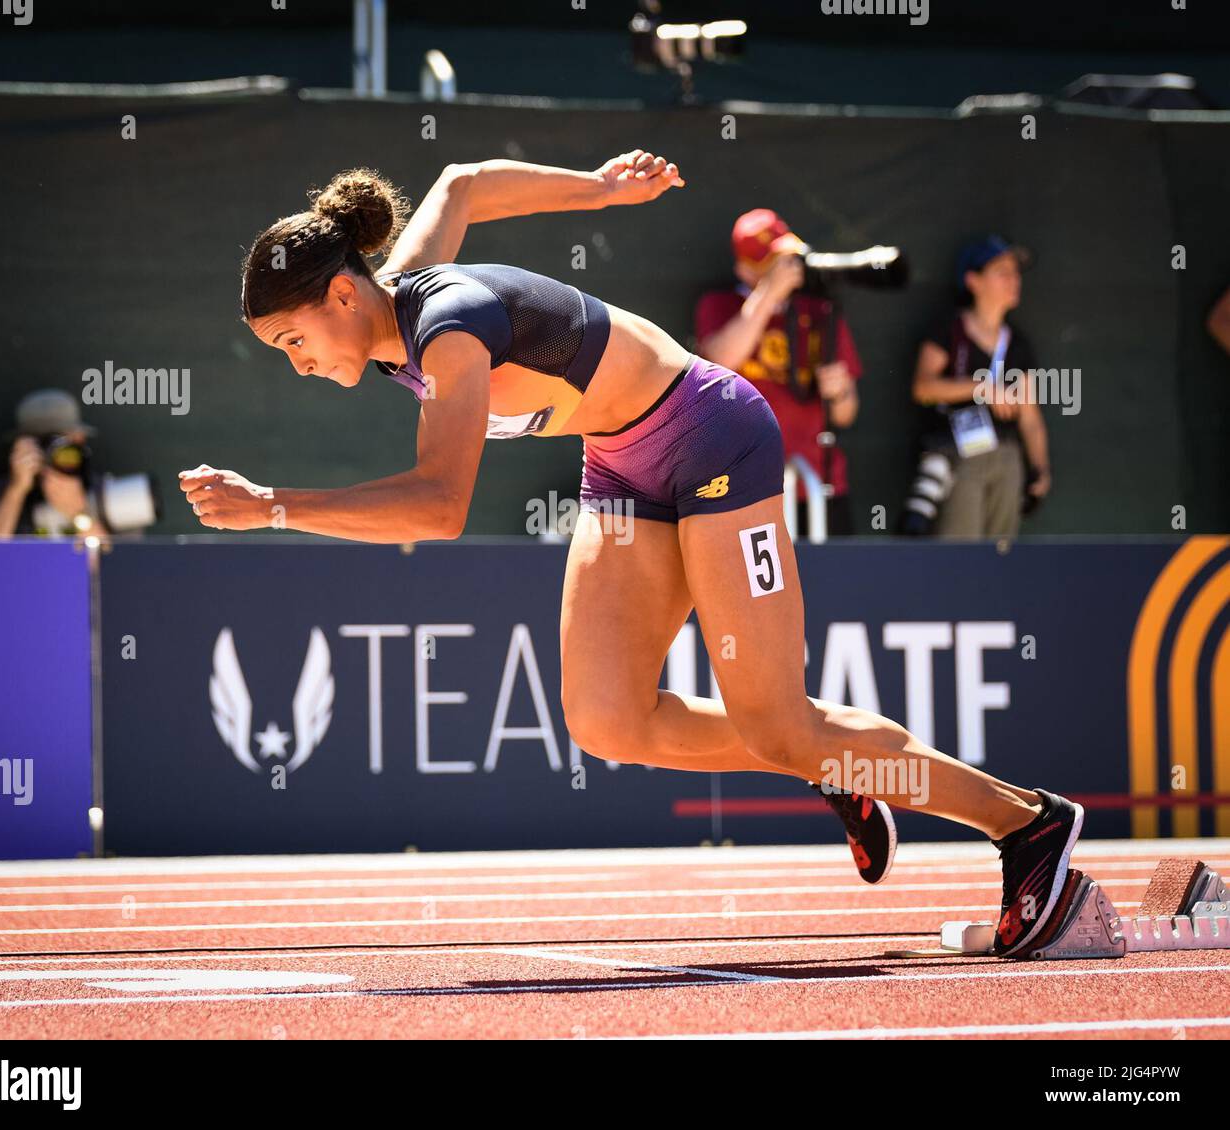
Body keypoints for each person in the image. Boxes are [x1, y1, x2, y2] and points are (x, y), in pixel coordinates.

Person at [181, 150, 1083, 956]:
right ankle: (825, 761)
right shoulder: (391, 294)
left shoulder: (445, 324)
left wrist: (273, 507)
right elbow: (462, 183)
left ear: (344, 293)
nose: (297, 363)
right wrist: (598, 190)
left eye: (293, 340)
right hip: (621, 466)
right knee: (607, 719)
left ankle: (1027, 822)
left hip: (714, 437)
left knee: (779, 721)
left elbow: (440, 506)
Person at [695, 210, 863, 536]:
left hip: (817, 480)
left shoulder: (821, 311)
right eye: (769, 265)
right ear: (744, 270)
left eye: (785, 260)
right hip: (746, 484)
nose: (783, 272)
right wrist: (769, 294)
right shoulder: (719, 304)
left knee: (834, 581)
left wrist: (840, 391)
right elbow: (721, 359)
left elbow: (846, 414)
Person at [908, 237, 1051, 538]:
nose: (1013, 280)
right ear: (973, 280)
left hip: (1006, 458)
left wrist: (1040, 469)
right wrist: (981, 387)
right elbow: (923, 388)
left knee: (1000, 554)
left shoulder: (1018, 344)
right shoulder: (949, 330)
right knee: (961, 555)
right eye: (1002, 271)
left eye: (1016, 273)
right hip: (958, 455)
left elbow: (1030, 418)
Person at [0, 389, 113, 539]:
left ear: (80, 440)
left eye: (62, 443)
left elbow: (121, 559)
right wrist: (16, 490)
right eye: (42, 443)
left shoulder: (108, 493)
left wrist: (78, 512)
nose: (50, 453)